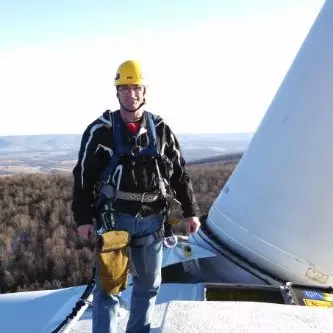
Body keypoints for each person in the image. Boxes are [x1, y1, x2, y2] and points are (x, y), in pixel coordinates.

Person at [71, 59, 201, 333]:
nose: (131, 94)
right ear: (116, 92)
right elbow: (83, 176)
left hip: (153, 221)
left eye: (136, 88)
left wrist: (191, 210)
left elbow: (179, 172)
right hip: (115, 220)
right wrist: (83, 218)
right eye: (125, 88)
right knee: (109, 288)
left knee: (148, 286)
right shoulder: (101, 131)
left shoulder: (161, 129)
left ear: (145, 92)